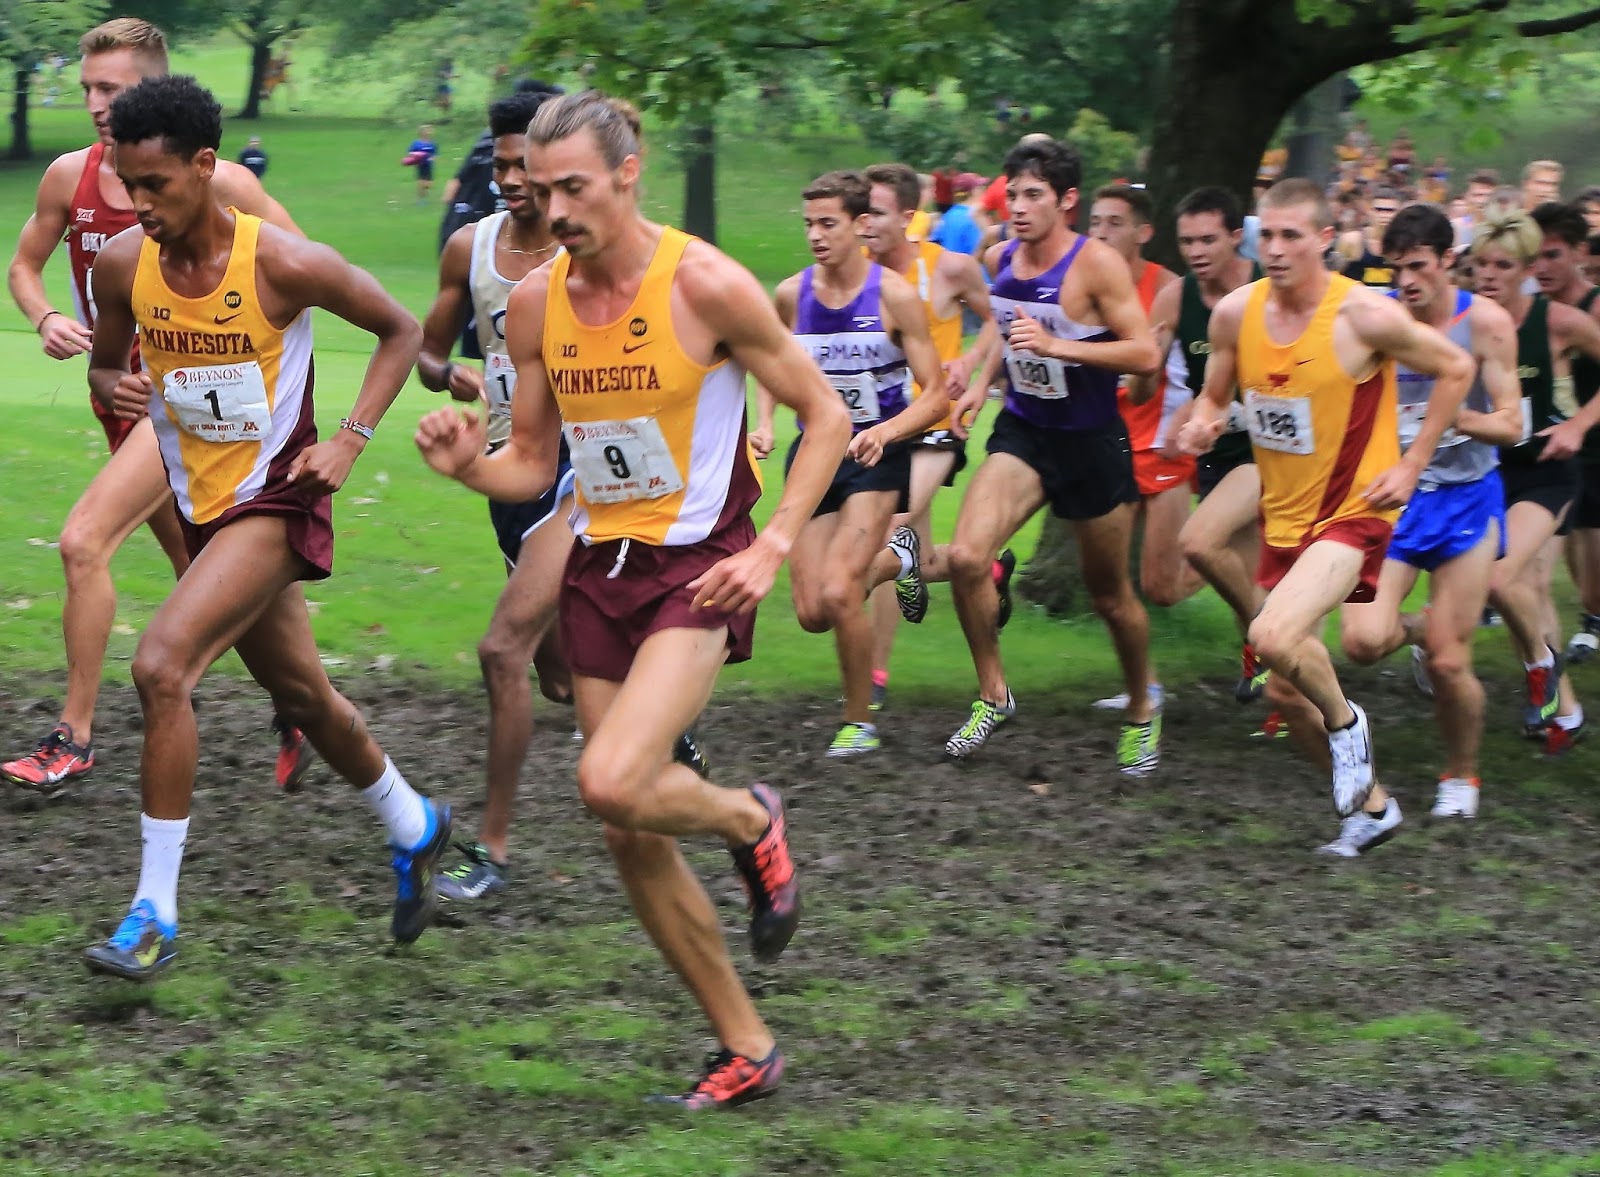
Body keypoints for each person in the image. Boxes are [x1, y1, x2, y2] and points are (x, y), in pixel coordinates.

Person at [415, 90, 852, 1107]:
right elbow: (530, 463)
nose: (555, 208)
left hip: (700, 569)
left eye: (575, 185)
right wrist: (464, 470)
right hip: (599, 571)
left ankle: (751, 820)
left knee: (612, 781)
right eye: (538, 185)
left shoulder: (705, 285)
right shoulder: (535, 304)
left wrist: (777, 543)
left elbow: (822, 416)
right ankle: (746, 1044)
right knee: (625, 830)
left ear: (627, 171)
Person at [81, 75, 452, 979]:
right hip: (208, 513)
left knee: (161, 665)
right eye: (130, 185)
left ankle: (152, 912)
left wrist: (352, 442)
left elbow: (400, 330)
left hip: (278, 503)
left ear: (206, 168)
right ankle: (416, 822)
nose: (142, 204)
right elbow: (101, 368)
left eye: (158, 184)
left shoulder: (284, 262)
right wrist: (115, 388)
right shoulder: (124, 265)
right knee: (305, 700)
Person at [3, 17, 308, 795]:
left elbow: (306, 271)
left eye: (114, 88)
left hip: (190, 410)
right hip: (121, 399)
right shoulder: (67, 179)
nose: (97, 104)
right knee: (202, 569)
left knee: (84, 542)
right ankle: (298, 701)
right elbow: (24, 266)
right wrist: (45, 317)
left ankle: (73, 733)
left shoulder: (225, 183)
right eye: (88, 90)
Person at [1178, 178, 1474, 857]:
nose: (1276, 249)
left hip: (1354, 512)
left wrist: (1410, 463)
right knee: (1285, 690)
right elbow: (1212, 396)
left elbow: (1455, 367)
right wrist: (1201, 422)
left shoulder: (1363, 316)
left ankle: (1349, 724)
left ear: (1323, 240)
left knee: (1270, 632)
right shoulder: (1235, 314)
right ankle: (1373, 808)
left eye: (1291, 236)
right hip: (1285, 521)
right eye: (1268, 236)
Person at [940, 137, 1163, 774]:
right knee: (964, 557)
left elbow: (1144, 354)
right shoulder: (1002, 254)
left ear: (1067, 201)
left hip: (1091, 441)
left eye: (1033, 194)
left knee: (1111, 597)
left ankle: (1144, 706)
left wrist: (1062, 348)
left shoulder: (1096, 266)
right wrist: (980, 383)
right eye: (1012, 193)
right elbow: (1001, 323)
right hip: (1026, 432)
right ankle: (993, 693)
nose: (1017, 205)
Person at [414, 91, 575, 898]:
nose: (510, 178)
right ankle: (668, 722)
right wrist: (453, 375)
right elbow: (428, 352)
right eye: (501, 162)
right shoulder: (469, 249)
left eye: (525, 165)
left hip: (588, 474)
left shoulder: (589, 256)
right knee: (559, 675)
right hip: (511, 470)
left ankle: (493, 848)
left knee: (501, 650)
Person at [750, 171, 946, 755]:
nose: (815, 235)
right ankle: (900, 555)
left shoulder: (894, 296)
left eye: (827, 223)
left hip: (876, 453)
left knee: (840, 591)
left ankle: (858, 721)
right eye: (808, 223)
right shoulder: (791, 295)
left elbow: (936, 393)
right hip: (816, 453)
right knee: (813, 611)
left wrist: (886, 432)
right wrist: (765, 421)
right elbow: (769, 362)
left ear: (861, 226)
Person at [1340, 203, 1523, 818]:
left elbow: (1513, 424)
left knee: (1450, 660)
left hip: (1468, 497)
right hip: (1399, 501)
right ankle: (1423, 626)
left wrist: (1454, 415)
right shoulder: (1382, 324)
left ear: (1449, 261)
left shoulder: (1487, 323)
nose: (1408, 282)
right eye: (1397, 270)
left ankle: (1462, 776)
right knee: (1363, 642)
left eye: (1418, 267)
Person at [851, 161, 998, 713]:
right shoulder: (858, 274)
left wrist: (974, 373)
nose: (864, 224)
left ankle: (876, 676)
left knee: (888, 532)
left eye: (877, 213)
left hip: (939, 424)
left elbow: (998, 319)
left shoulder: (951, 268)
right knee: (931, 555)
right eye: (859, 213)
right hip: (884, 429)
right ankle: (990, 569)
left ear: (909, 218)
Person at [1475, 202, 1600, 751]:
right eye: (1482, 265)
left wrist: (1577, 423)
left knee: (1505, 580)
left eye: (1504, 266)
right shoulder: (1467, 320)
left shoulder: (1558, 322)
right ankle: (1562, 707)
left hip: (1547, 473)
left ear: (1525, 270)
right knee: (1518, 589)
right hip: (1486, 474)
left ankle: (1543, 678)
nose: (1490, 277)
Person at [1151, 187, 1269, 707]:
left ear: (1236, 237)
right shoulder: (1176, 298)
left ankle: (1270, 639)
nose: (1196, 252)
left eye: (1208, 240)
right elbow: (1153, 375)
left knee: (1197, 544)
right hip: (1218, 454)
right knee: (1246, 576)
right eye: (1186, 242)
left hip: (1275, 453)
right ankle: (1276, 662)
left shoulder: (1269, 288)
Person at [1092, 183, 1200, 615]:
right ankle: (1144, 686)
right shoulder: (1084, 286)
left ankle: (1227, 554)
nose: (1101, 233)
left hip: (1162, 445)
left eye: (1115, 224)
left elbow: (1206, 373)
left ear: (1143, 232)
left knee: (1161, 586)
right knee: (1108, 586)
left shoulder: (1167, 290)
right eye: (1095, 222)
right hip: (1110, 446)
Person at [1524, 202, 1600, 674]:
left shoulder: (1594, 306)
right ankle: (1548, 682)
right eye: (1534, 256)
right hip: (1551, 459)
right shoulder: (1531, 308)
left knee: (1590, 562)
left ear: (1578, 253)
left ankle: (1590, 621)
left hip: (1595, 450)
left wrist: (1579, 424)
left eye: (1552, 255)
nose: (1541, 267)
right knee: (1535, 568)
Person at [1338, 187, 1401, 288]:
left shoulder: (1404, 244)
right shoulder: (1351, 240)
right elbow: (1332, 277)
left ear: (1399, 212)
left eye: (1390, 210)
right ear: (1370, 211)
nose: (1383, 215)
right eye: (1378, 209)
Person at [929, 173, 984, 256]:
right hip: (970, 267)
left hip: (948, 266)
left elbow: (934, 242)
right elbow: (980, 250)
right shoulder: (975, 217)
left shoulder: (947, 215)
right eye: (981, 188)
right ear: (974, 191)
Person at [406, 124, 438, 203]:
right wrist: (416, 157)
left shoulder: (432, 143)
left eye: (429, 130)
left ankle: (424, 194)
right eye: (427, 130)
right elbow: (410, 153)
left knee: (428, 184)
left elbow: (435, 154)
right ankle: (420, 200)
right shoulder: (416, 143)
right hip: (420, 165)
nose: (429, 132)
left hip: (429, 165)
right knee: (421, 182)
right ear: (421, 132)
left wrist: (432, 158)